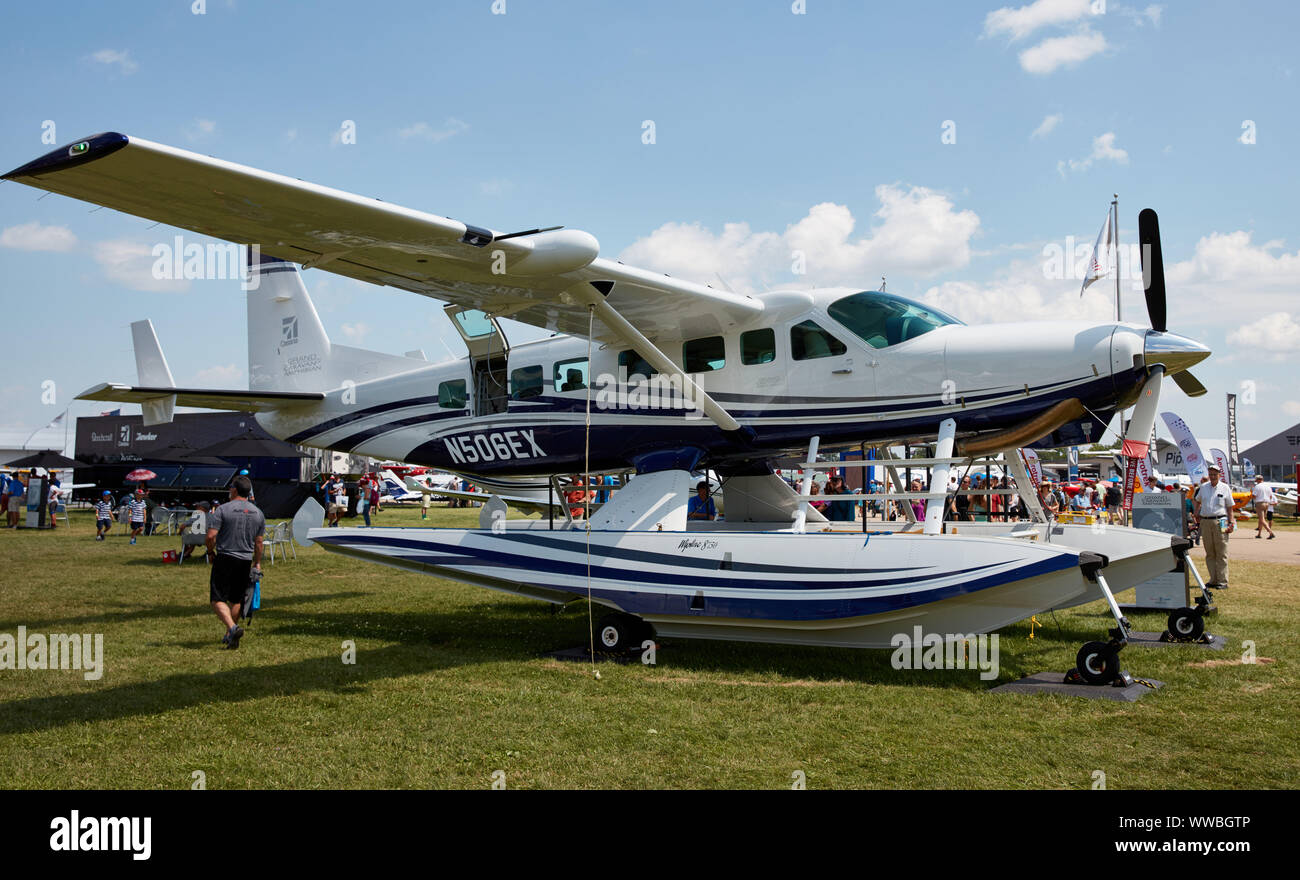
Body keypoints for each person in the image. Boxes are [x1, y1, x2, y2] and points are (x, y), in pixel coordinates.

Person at [205, 476, 265, 649]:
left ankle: (232, 627)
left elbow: (210, 536)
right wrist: (257, 563)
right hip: (245, 560)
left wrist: (210, 551)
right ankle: (229, 635)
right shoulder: (258, 513)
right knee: (236, 599)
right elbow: (259, 542)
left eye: (231, 487)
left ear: (235, 490)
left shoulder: (223, 510)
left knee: (217, 599)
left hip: (225, 557)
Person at [1194, 464, 1234, 588]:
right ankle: (1213, 580)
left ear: (1219, 475)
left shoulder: (1225, 488)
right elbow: (1197, 500)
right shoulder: (1204, 487)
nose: (1212, 476)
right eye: (1210, 474)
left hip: (1220, 520)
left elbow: (1230, 507)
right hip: (1205, 522)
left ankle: (1222, 581)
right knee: (1210, 552)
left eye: (1215, 474)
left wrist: (1231, 523)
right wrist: (1196, 512)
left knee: (1221, 552)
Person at [1251, 475, 1276, 540]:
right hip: (1267, 503)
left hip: (1260, 503)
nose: (1256, 482)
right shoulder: (1267, 486)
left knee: (1262, 519)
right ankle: (1259, 534)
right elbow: (1270, 496)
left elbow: (1254, 496)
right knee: (1262, 519)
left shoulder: (1257, 486)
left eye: (1256, 480)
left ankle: (1271, 532)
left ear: (1258, 480)